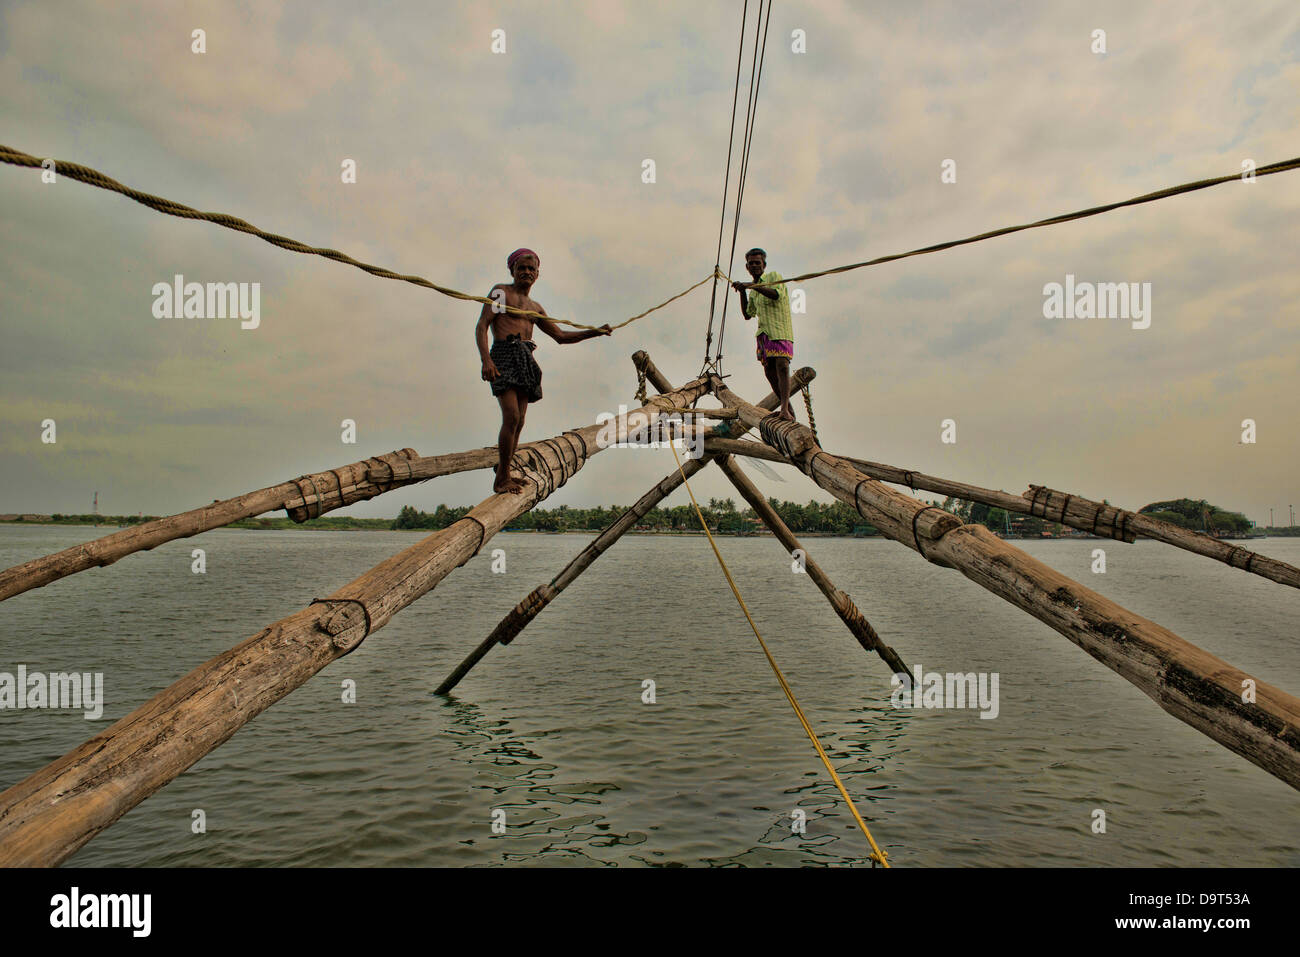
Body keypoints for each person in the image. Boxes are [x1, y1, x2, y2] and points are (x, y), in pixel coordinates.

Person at [476, 248, 611, 494]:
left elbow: (560, 336)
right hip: (504, 354)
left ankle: (504, 471)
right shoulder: (500, 292)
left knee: (520, 421)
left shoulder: (535, 308)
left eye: (531, 269)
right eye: (521, 268)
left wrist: (595, 332)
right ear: (512, 271)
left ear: (537, 274)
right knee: (512, 416)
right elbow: (482, 325)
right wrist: (486, 360)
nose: (526, 272)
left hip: (525, 358)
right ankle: (501, 479)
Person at [732, 247, 796, 421]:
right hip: (764, 334)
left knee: (782, 365)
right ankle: (788, 410)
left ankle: (784, 409)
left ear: (764, 265)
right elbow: (747, 314)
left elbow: (775, 295)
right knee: (769, 372)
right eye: (751, 263)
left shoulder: (774, 277)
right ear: (747, 267)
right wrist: (743, 292)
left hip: (780, 330)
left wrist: (751, 285)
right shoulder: (753, 292)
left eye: (757, 263)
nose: (754, 266)